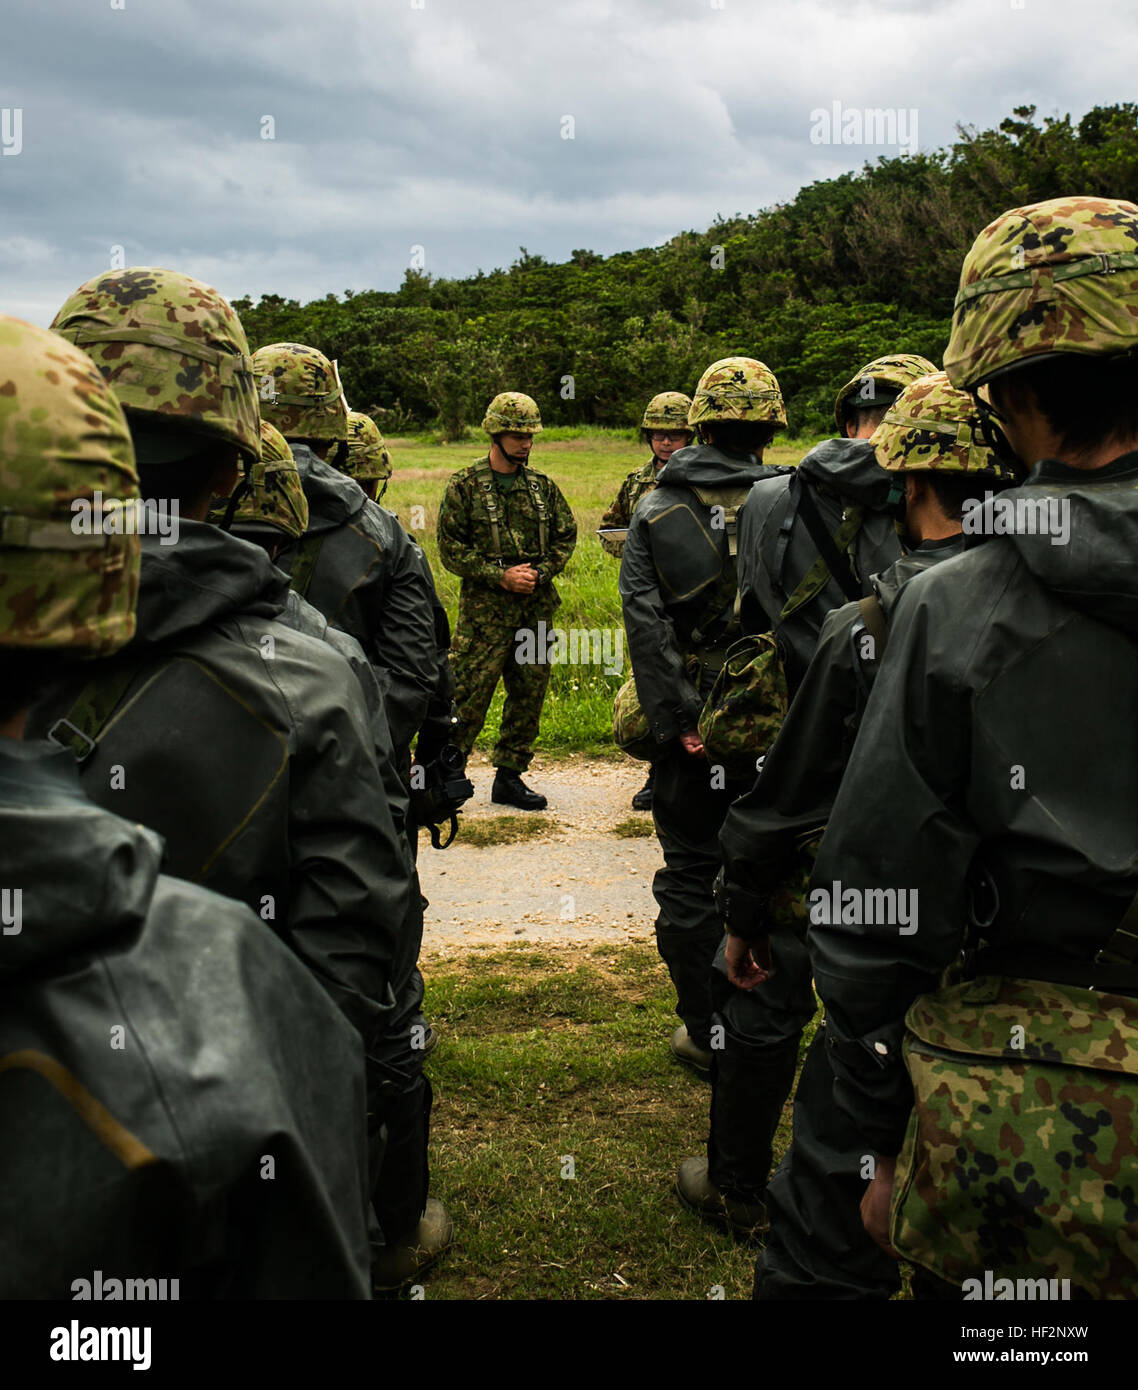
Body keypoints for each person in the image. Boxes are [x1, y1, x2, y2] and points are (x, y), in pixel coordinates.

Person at [31, 267, 440, 1288]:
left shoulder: (30, 637)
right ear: (233, 471)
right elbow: (357, 956)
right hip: (231, 1153)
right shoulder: (312, 676)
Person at [810, 196, 1138, 1295]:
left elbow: (877, 900)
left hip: (1025, 1123)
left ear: (1003, 393)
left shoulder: (953, 609)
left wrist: (877, 1135)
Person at [679, 375, 1020, 1296]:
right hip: (1009, 987)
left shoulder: (863, 622)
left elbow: (777, 803)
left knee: (828, 1220)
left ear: (906, 487)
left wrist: (741, 914)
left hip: (865, 944)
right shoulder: (1046, 613)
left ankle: (739, 1182)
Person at [619, 357, 788, 1072]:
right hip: (778, 728)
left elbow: (645, 628)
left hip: (691, 729)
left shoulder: (655, 510)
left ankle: (703, 1026)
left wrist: (677, 721)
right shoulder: (794, 502)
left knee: (689, 876)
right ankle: (758, 1018)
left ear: (699, 423)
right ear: (769, 427)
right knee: (772, 875)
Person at [253, 342, 439, 770]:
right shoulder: (386, 535)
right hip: (354, 774)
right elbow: (412, 678)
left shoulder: (191, 507)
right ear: (334, 426)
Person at [736, 353, 936, 696]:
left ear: (850, 425)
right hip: (902, 712)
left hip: (799, 716)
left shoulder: (763, 498)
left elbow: (750, 618)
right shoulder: (936, 500)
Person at [436, 392, 577, 810]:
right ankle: (449, 771)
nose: (526, 444)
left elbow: (566, 536)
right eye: (517, 435)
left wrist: (540, 572)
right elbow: (450, 548)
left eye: (530, 436)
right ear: (495, 434)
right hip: (484, 615)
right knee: (467, 692)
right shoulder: (464, 486)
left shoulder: (543, 488)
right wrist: (499, 576)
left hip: (534, 610)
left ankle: (510, 776)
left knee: (529, 693)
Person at [601, 391, 693, 812]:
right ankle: (658, 771)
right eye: (658, 433)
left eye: (675, 433)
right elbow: (611, 528)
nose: (666, 442)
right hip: (645, 598)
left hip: (691, 595)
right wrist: (631, 550)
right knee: (653, 679)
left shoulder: (700, 478)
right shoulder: (637, 482)